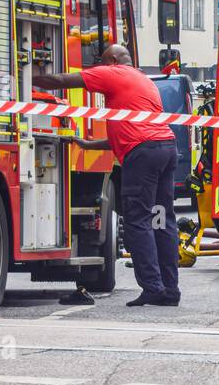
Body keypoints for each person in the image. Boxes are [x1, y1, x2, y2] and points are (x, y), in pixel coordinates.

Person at [33, 44, 181, 307]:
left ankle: (152, 287)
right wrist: (88, 145)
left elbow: (61, 80)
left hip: (143, 154)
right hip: (166, 148)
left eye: (101, 62)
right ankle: (170, 289)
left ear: (111, 61)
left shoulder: (113, 72)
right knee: (162, 219)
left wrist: (22, 75)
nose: (99, 68)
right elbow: (129, 132)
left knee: (138, 221)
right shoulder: (143, 80)